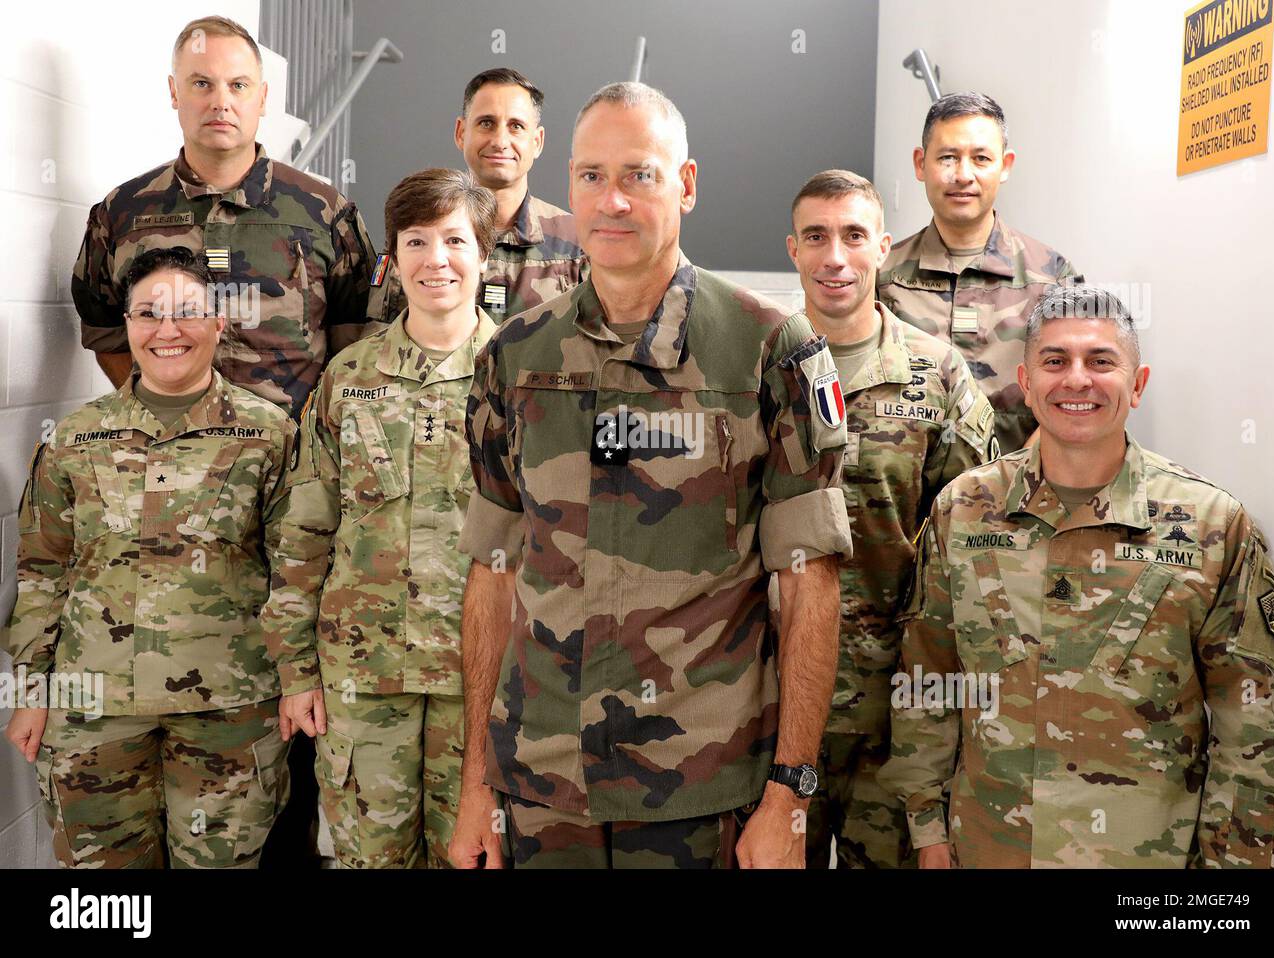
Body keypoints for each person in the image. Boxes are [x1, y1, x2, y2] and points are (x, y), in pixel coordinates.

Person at [447, 82, 852, 870]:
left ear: (687, 184)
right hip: (541, 782)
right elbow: (492, 575)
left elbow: (812, 586)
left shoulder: (771, 349)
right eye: (593, 176)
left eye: (640, 174)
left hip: (703, 790)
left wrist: (789, 797)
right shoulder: (516, 355)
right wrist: (476, 785)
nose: (613, 201)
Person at [878, 284, 1274, 868]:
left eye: (1101, 361)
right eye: (1055, 361)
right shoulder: (963, 510)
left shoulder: (1211, 525)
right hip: (991, 848)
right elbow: (928, 675)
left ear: (1138, 384)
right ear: (1026, 384)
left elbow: (1246, 720)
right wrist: (927, 833)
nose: (1077, 379)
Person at [3, 247, 295, 868]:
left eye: (187, 312)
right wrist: (30, 688)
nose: (168, 331)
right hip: (93, 710)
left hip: (228, 705)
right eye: (148, 314)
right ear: (128, 327)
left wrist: (299, 682)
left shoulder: (269, 434)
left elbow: (296, 571)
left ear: (220, 322)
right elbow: (42, 571)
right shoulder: (75, 438)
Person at [260, 169, 498, 868]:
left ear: (484, 253)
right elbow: (303, 529)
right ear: (392, 259)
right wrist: (296, 671)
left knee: (475, 859)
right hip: (363, 683)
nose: (437, 260)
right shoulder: (348, 376)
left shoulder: (521, 377)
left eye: (455, 240)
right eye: (417, 241)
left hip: (481, 682)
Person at [786, 170, 995, 869]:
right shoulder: (757, 367)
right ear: (793, 250)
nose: (834, 257)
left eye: (852, 236)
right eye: (816, 237)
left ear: (881, 247)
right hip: (775, 701)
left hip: (898, 710)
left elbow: (972, 544)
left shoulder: (937, 373)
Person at [72, 14, 382, 419]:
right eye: (202, 83)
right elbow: (106, 334)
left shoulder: (325, 212)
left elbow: (358, 342)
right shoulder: (122, 212)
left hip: (294, 462)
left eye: (239, 85)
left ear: (263, 97)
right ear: (174, 91)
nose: (221, 102)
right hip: (167, 458)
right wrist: (165, 414)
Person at [876, 92, 1081, 454]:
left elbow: (1072, 395)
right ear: (921, 164)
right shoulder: (883, 275)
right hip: (901, 499)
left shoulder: (1052, 278)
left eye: (981, 158)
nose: (963, 175)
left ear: (1005, 165)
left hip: (1016, 497)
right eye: (948, 158)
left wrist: (1011, 482)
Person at [368, 67, 585, 324]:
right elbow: (376, 344)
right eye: (486, 123)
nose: (500, 141)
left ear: (537, 141)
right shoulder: (418, 235)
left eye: (516, 126)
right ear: (461, 133)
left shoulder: (576, 244)